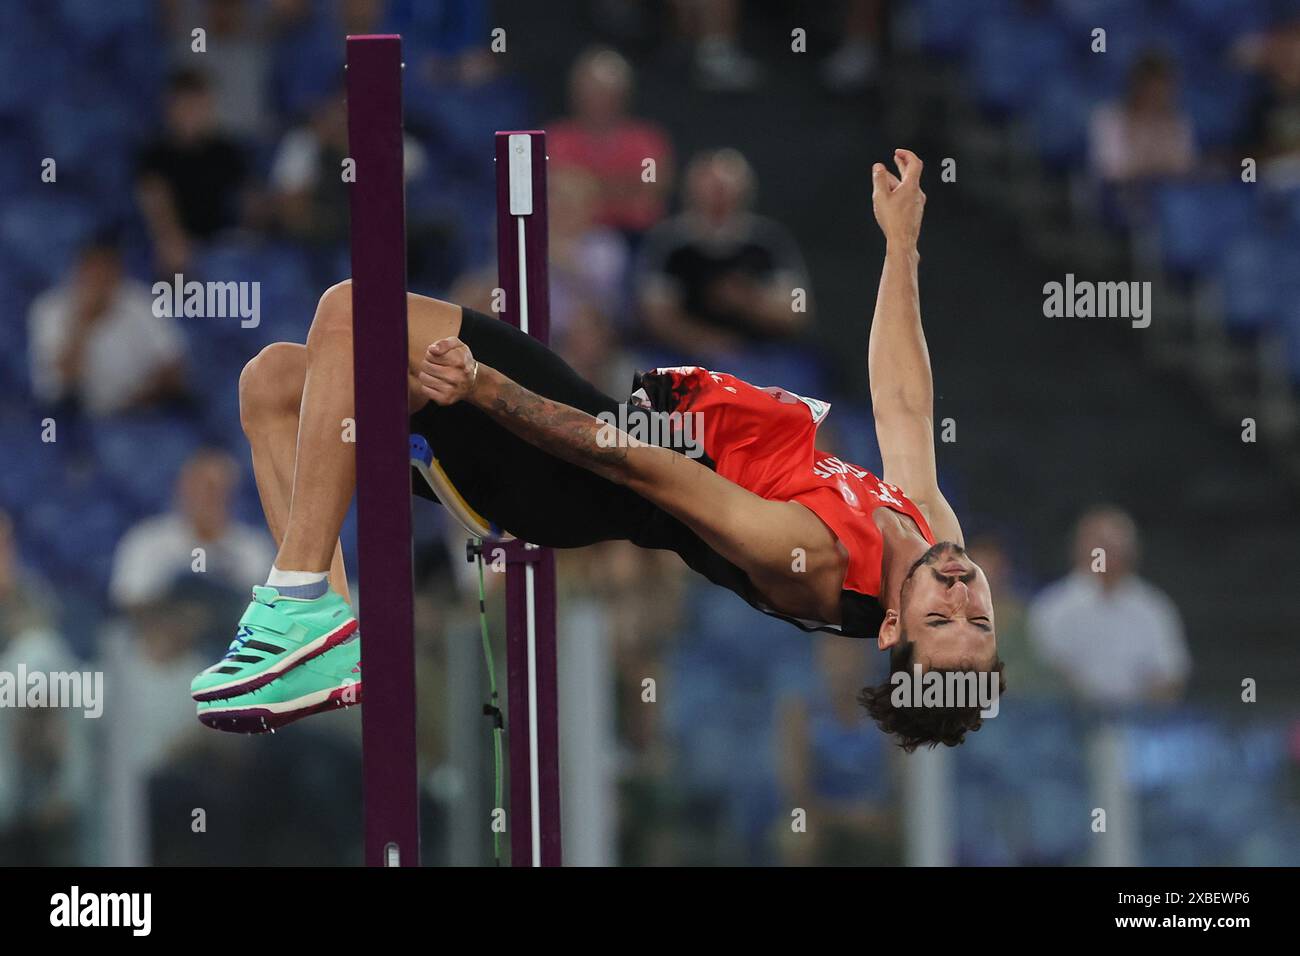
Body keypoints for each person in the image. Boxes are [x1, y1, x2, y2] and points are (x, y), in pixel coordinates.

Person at [191, 150, 1004, 751]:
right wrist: (902, 247)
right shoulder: (934, 535)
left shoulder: (808, 557)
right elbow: (903, 406)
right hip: (583, 441)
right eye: (979, 614)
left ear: (894, 625)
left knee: (350, 311)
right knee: (275, 386)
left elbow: (634, 463)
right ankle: (334, 637)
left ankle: (299, 607)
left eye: (944, 617)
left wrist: (486, 390)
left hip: (562, 470)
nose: (965, 590)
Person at [1027, 506, 1189, 710]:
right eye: (1099, 545)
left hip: (1137, 721)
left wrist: (1144, 705)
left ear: (1132, 551)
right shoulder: (1051, 607)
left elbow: (1172, 674)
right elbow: (1040, 672)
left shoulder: (1154, 608)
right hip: (1068, 720)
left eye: (1115, 546)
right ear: (1078, 548)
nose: (1107, 555)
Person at [28, 236, 188, 417]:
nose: (101, 278)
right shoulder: (50, 309)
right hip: (78, 417)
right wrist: (84, 323)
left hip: (142, 409)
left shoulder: (139, 299)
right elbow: (63, 381)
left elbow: (174, 366)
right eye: (94, 271)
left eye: (108, 270)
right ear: (79, 271)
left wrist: (141, 397)